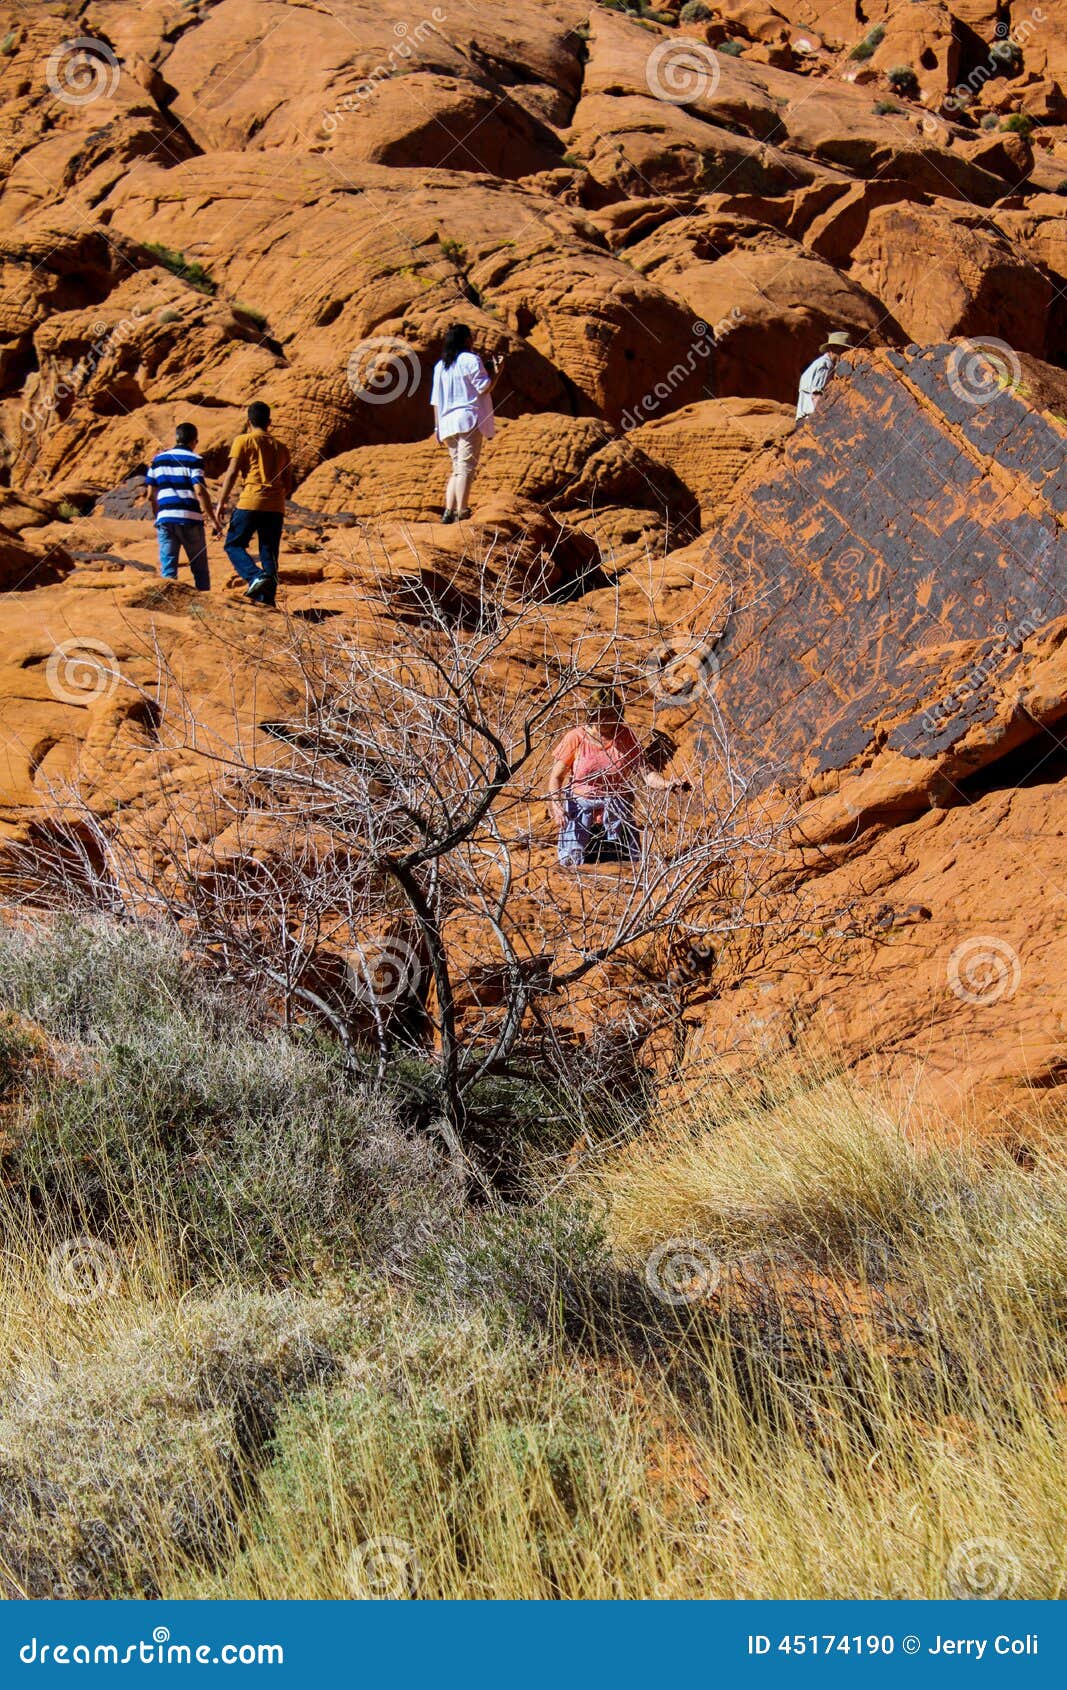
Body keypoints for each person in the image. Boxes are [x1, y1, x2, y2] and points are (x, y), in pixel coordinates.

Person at [548, 686, 689, 868]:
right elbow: (556, 778)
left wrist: (668, 784)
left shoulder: (626, 736)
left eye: (612, 714)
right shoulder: (575, 738)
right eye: (602, 715)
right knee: (574, 866)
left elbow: (645, 773)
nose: (607, 720)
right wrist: (557, 806)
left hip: (616, 813)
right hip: (580, 813)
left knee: (625, 866)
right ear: (591, 714)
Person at [216, 401, 292, 607]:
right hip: (275, 506)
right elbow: (288, 481)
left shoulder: (243, 440)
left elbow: (232, 472)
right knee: (269, 552)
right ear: (270, 422)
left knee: (233, 544)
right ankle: (267, 600)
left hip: (250, 500)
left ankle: (255, 576)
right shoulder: (282, 447)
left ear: (248, 421)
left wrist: (220, 503)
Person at [430, 323, 498, 524]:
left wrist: (437, 427)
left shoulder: (441, 366)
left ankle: (448, 512)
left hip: (447, 422)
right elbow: (484, 387)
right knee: (466, 467)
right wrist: (497, 371)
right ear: (467, 340)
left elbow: (435, 400)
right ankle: (462, 510)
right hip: (469, 419)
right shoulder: (470, 359)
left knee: (457, 467)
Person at [145, 421, 220, 590]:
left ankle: (169, 604)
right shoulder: (195, 460)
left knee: (168, 569)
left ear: (177, 438)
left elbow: (151, 495)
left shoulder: (157, 460)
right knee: (200, 569)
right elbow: (199, 490)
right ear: (194, 441)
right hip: (190, 518)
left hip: (165, 519)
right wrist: (213, 519)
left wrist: (158, 516)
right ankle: (204, 605)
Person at [795, 330, 854, 421]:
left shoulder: (822, 362)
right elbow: (816, 393)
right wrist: (821, 418)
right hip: (810, 418)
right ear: (832, 348)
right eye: (843, 349)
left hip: (805, 417)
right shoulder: (825, 365)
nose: (845, 353)